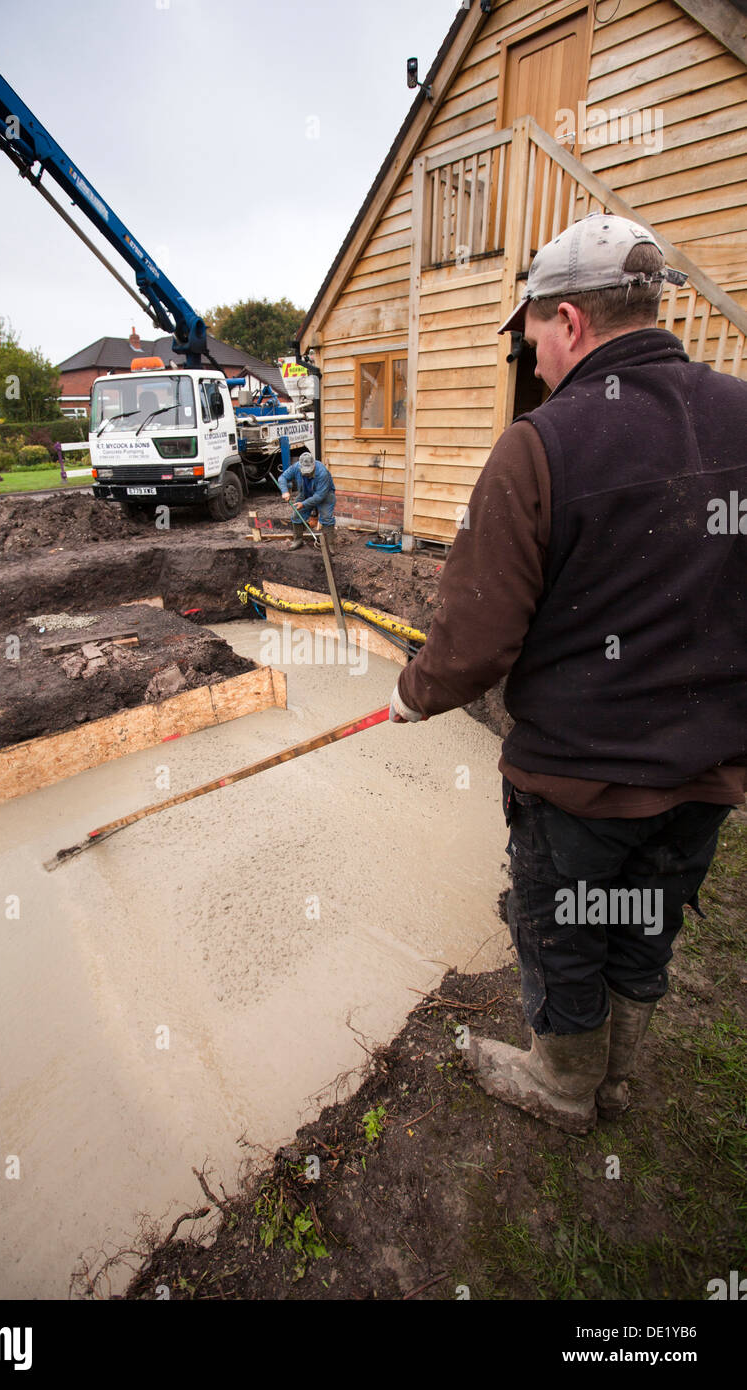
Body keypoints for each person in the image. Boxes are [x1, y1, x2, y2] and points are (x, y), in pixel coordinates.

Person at [389, 213, 747, 1134]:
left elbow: (476, 637)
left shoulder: (539, 446)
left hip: (579, 780)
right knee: (644, 924)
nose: (534, 361)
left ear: (572, 324)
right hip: (706, 772)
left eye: (535, 337)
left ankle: (564, 1088)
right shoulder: (741, 415)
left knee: (564, 935)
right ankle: (617, 1080)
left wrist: (413, 692)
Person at [277, 450, 337, 554]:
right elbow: (282, 478)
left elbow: (319, 496)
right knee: (296, 515)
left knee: (327, 518)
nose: (307, 474)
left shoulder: (322, 473)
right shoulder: (296, 467)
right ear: (300, 466)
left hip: (325, 494)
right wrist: (285, 491)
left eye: (309, 471)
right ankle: (298, 540)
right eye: (304, 472)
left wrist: (303, 504)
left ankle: (329, 545)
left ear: (313, 465)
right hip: (306, 493)